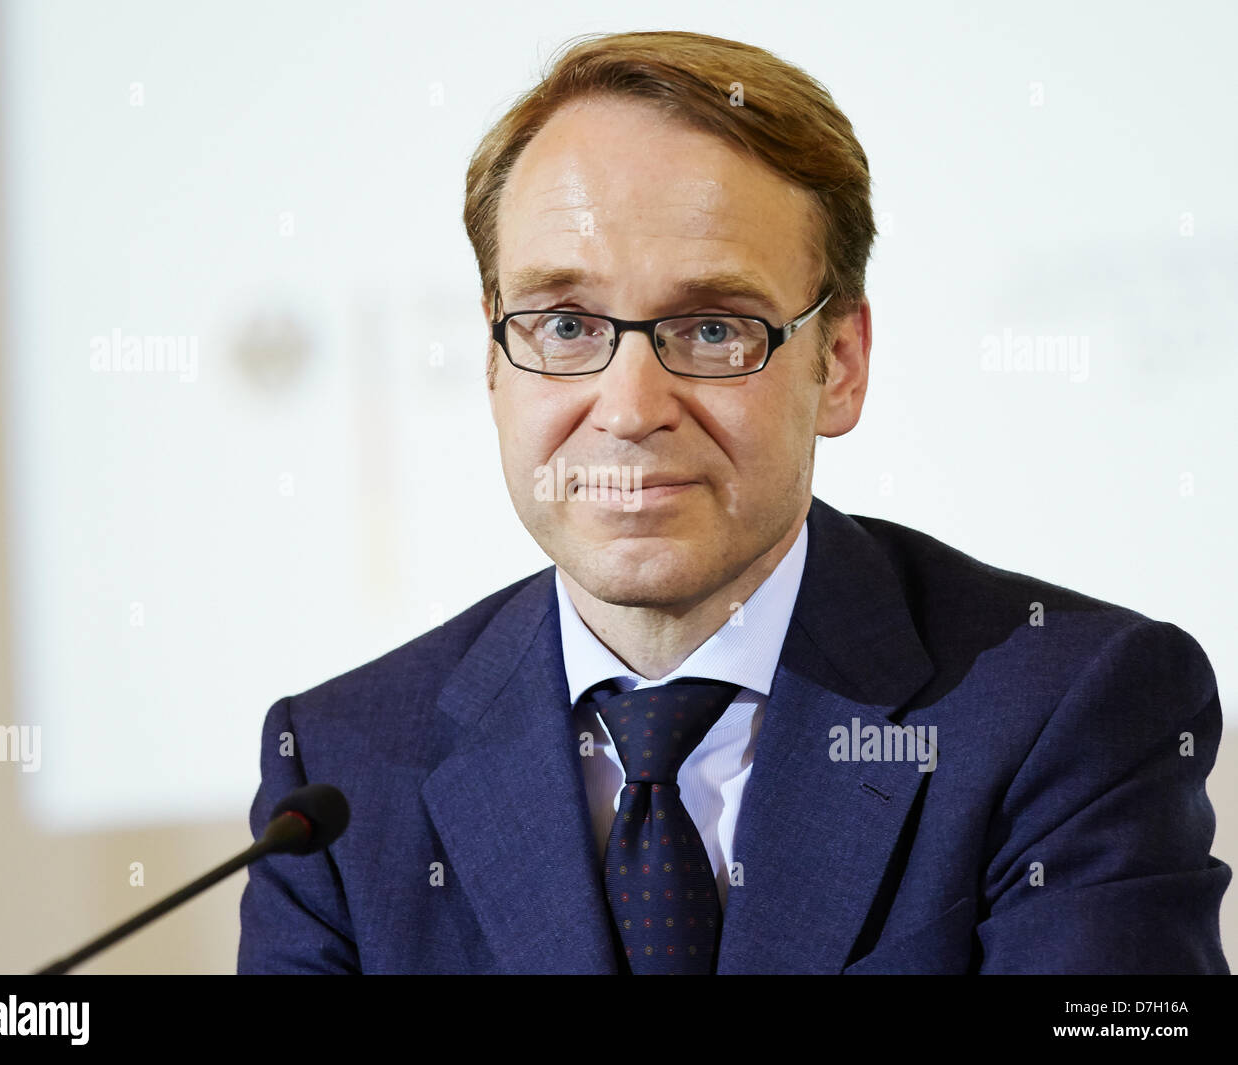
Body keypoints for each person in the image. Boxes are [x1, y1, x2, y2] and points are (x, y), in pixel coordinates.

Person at [237, 29, 1229, 974]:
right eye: (567, 323)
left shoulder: (1068, 710)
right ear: (494, 359)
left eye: (713, 329)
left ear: (839, 363)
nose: (627, 409)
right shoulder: (338, 775)